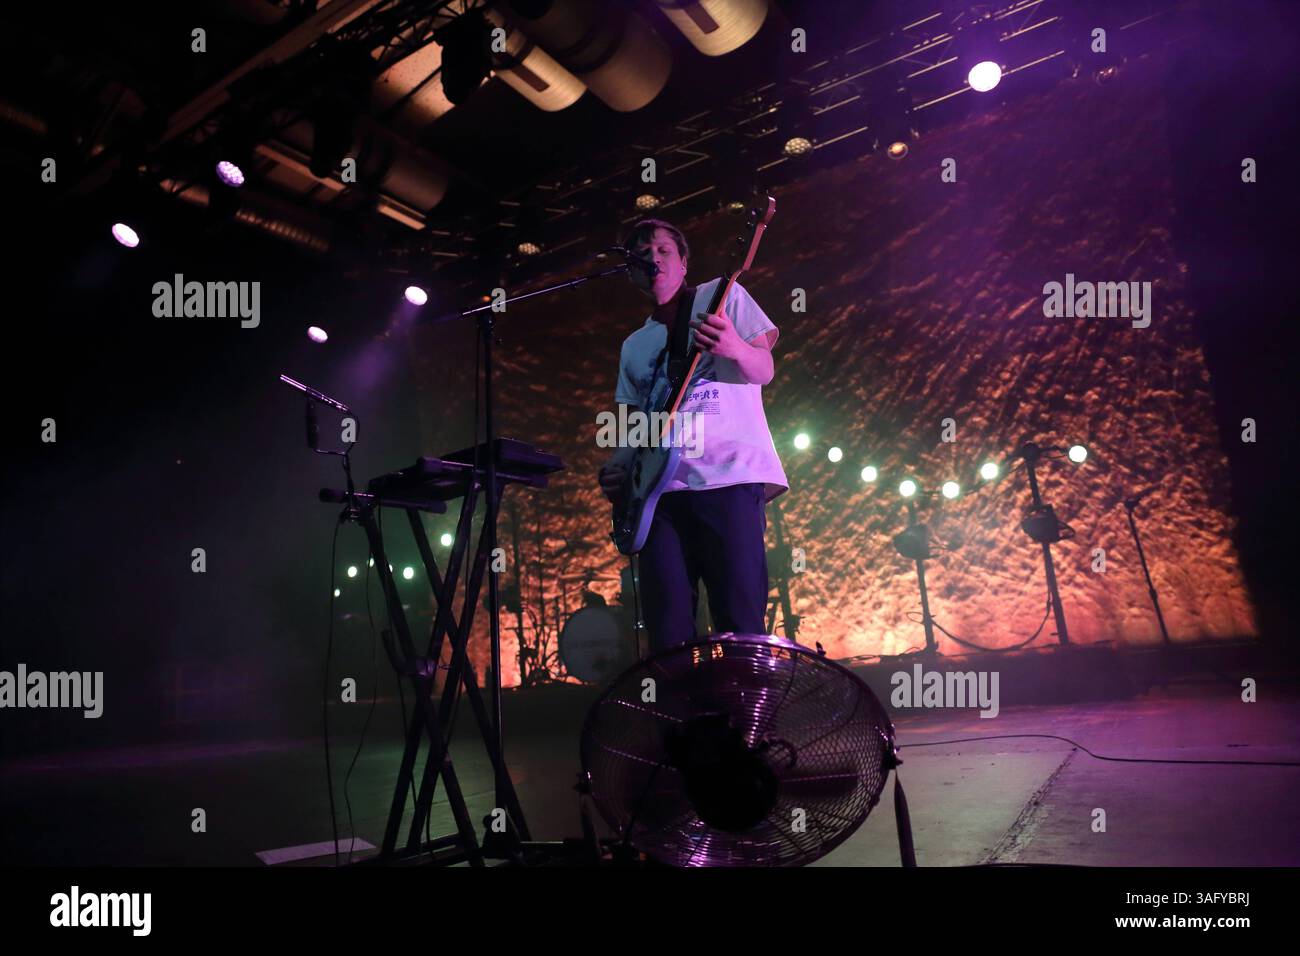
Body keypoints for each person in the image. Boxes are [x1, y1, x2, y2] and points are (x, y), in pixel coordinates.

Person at [599, 218, 788, 652]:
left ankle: (747, 719)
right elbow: (638, 424)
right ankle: (684, 719)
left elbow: (764, 369)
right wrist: (619, 468)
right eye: (641, 255)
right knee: (667, 633)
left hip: (727, 477)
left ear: (684, 262)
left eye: (663, 250)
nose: (653, 259)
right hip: (659, 499)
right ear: (630, 273)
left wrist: (734, 348)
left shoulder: (723, 296)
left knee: (740, 621)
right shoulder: (634, 345)